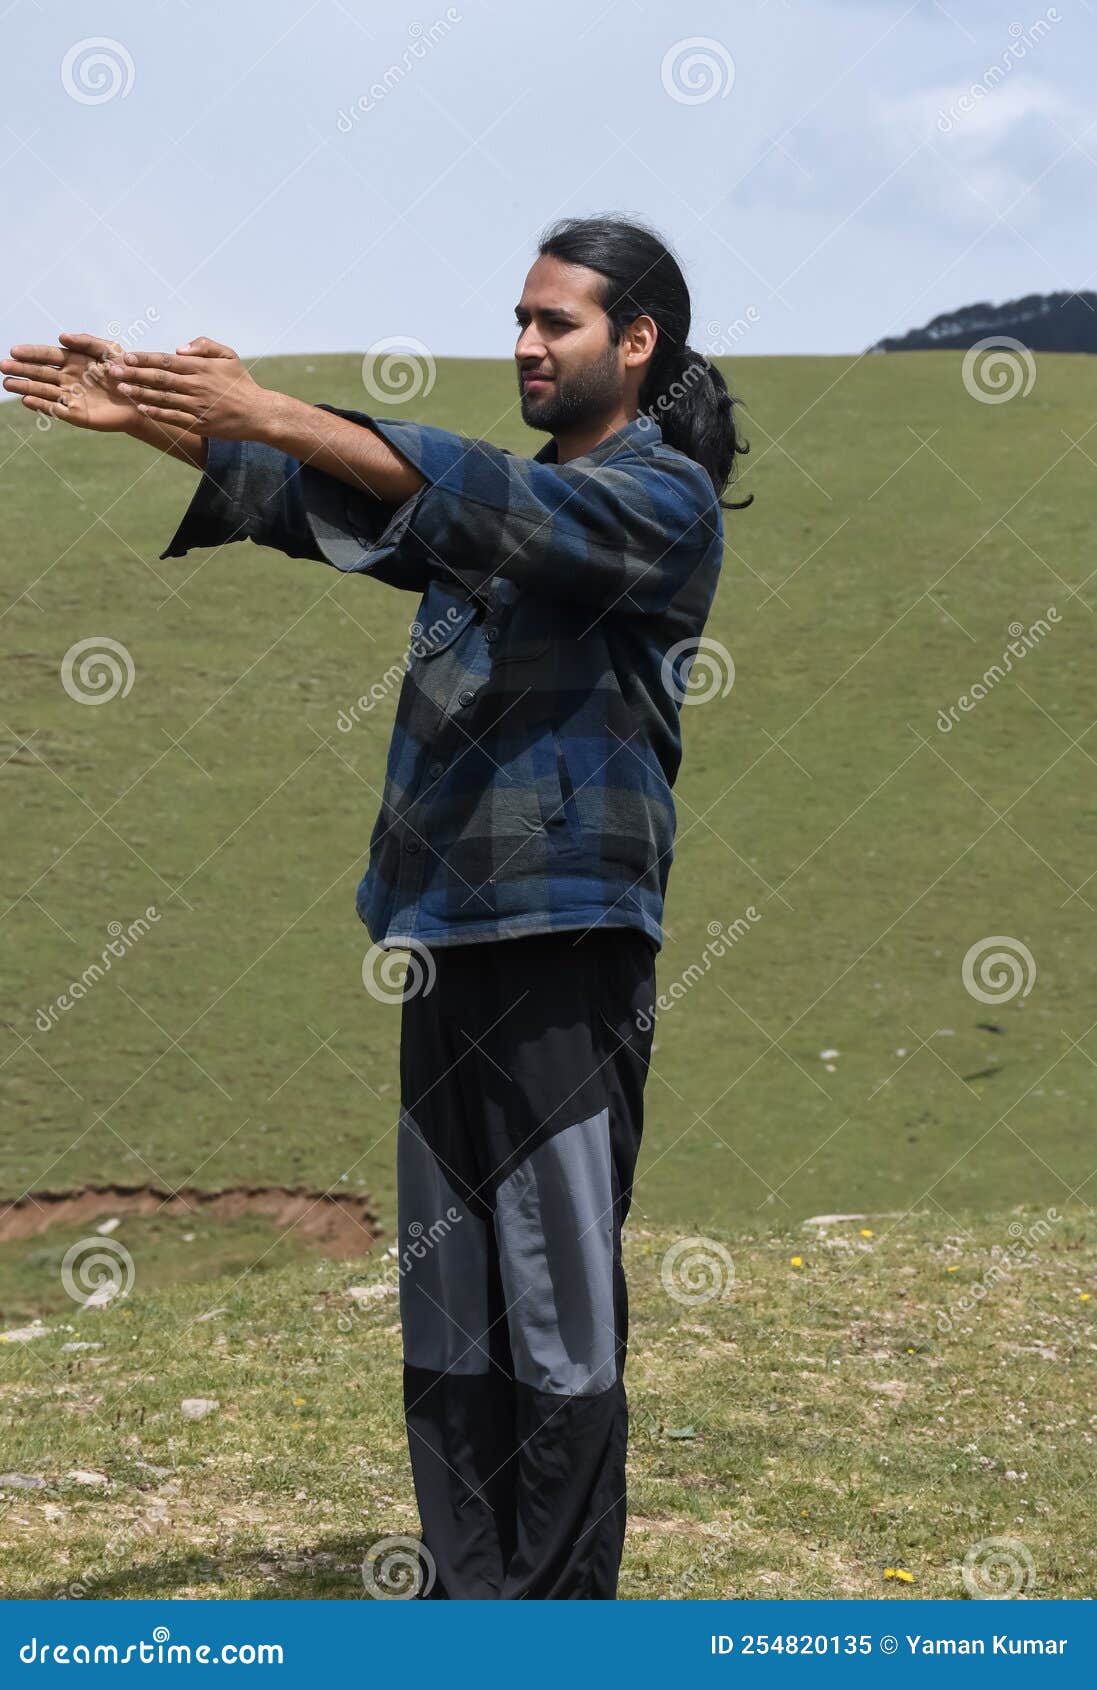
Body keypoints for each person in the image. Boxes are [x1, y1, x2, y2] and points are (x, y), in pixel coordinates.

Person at [2, 215, 750, 1600]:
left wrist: (274, 406)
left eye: (558, 322)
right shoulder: (496, 506)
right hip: (443, 936)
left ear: (638, 342)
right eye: (519, 318)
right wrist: (169, 420)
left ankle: (554, 1620)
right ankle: (466, 1601)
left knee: (555, 1290)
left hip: (563, 943)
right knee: (452, 1290)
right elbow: (336, 508)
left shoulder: (657, 503)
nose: (526, 343)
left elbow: (478, 500)